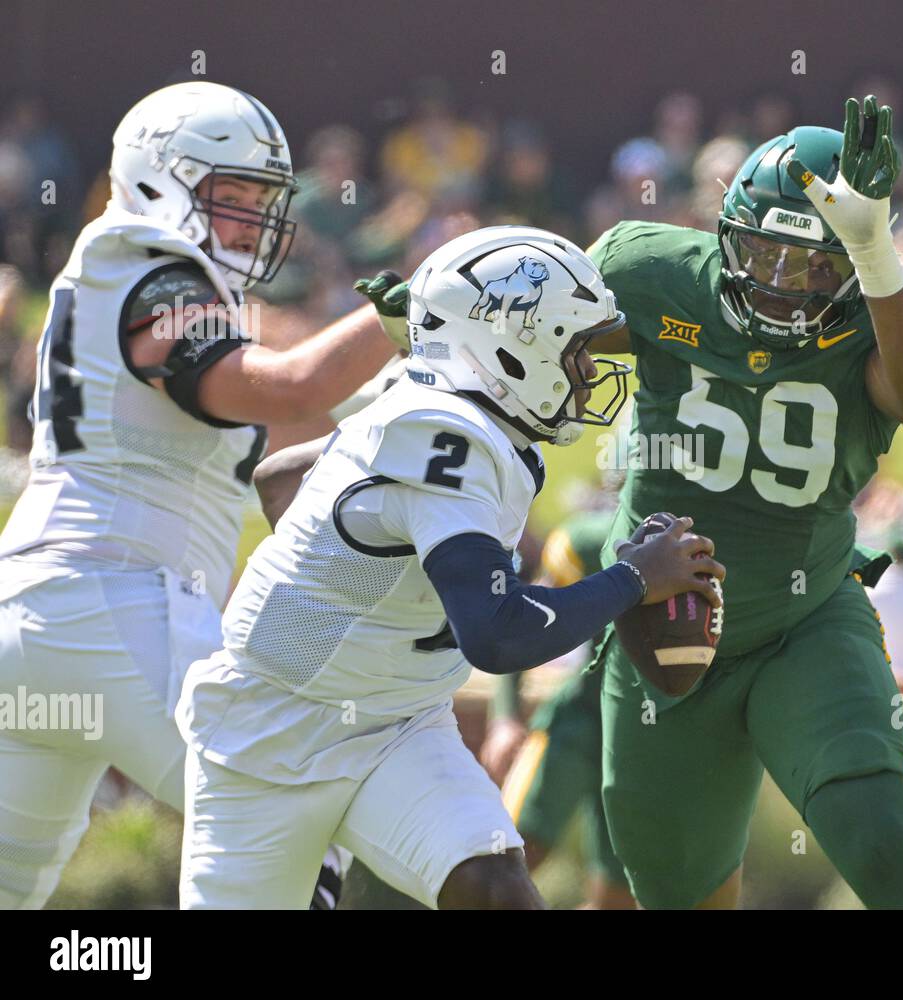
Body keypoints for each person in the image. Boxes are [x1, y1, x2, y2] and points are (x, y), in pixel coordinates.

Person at [174, 226, 724, 909]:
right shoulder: (448, 433)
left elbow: (281, 478)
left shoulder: (448, 416)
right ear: (514, 346)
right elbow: (498, 635)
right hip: (272, 730)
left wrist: (353, 571)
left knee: (495, 889)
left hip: (398, 721)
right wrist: (634, 578)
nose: (589, 369)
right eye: (576, 348)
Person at [0, 81, 403, 909]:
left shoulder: (133, 271)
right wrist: (422, 304)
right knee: (290, 826)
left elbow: (298, 413)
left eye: (262, 199)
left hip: (40, 615)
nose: (251, 220)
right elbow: (291, 387)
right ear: (158, 177)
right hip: (112, 599)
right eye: (232, 195)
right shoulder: (143, 263)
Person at [579, 96, 903, 909]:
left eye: (815, 266)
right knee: (679, 899)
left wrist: (873, 254)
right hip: (664, 623)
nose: (784, 285)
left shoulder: (895, 309)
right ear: (728, 234)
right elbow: (547, 328)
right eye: (762, 255)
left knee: (886, 849)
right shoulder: (649, 271)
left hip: (805, 621)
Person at [485, 509, 637, 910]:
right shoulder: (590, 542)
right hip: (579, 725)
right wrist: (504, 718)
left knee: (617, 900)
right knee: (501, 865)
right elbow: (520, 625)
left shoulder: (730, 555)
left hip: (644, 744)